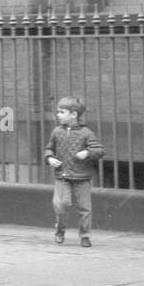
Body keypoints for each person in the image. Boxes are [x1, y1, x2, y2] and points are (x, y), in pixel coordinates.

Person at [44, 96, 105, 248]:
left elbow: (99, 150)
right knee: (61, 205)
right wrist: (49, 158)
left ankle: (85, 235)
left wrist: (87, 153)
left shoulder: (86, 133)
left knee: (85, 208)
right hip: (62, 176)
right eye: (58, 111)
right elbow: (49, 148)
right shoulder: (56, 132)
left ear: (74, 114)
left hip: (82, 177)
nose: (58, 114)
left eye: (61, 112)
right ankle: (60, 231)